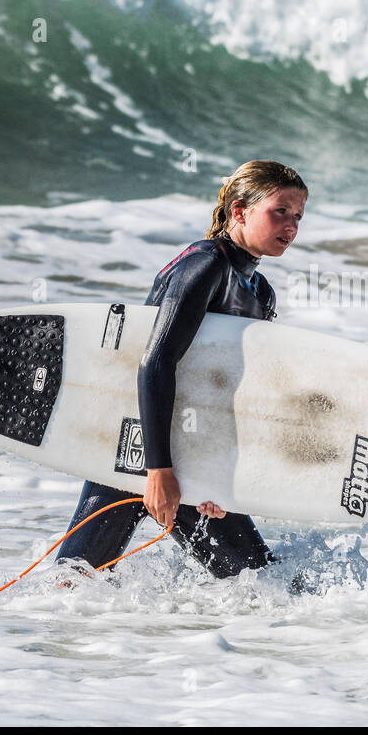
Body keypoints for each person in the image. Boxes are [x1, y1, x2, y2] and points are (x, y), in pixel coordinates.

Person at [57, 160, 307, 579]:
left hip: (187, 457)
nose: (291, 225)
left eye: (298, 216)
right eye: (279, 211)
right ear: (239, 211)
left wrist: (219, 479)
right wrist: (158, 471)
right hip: (138, 451)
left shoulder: (260, 292)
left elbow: (232, 393)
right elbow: (156, 362)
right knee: (73, 584)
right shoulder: (206, 264)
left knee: (262, 587)